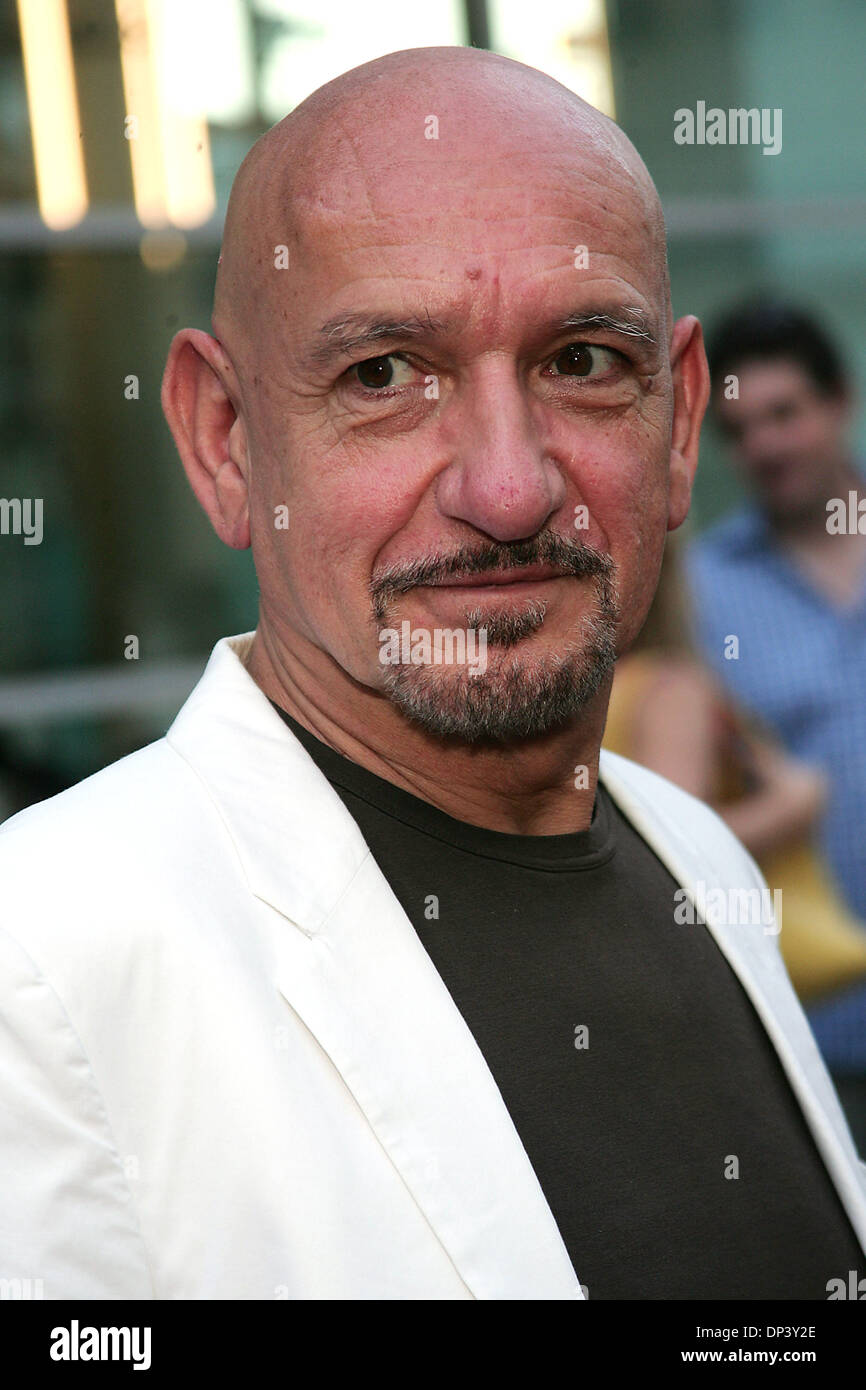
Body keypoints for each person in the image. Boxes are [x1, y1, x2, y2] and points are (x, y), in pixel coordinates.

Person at [1, 48, 864, 1302]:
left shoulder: (694, 853)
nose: (507, 490)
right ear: (225, 442)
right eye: (383, 376)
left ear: (677, 428)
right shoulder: (44, 961)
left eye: (579, 362)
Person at [688, 298, 866, 1160]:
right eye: (740, 427)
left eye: (784, 413)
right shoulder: (703, 592)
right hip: (813, 1020)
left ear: (840, 401)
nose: (764, 445)